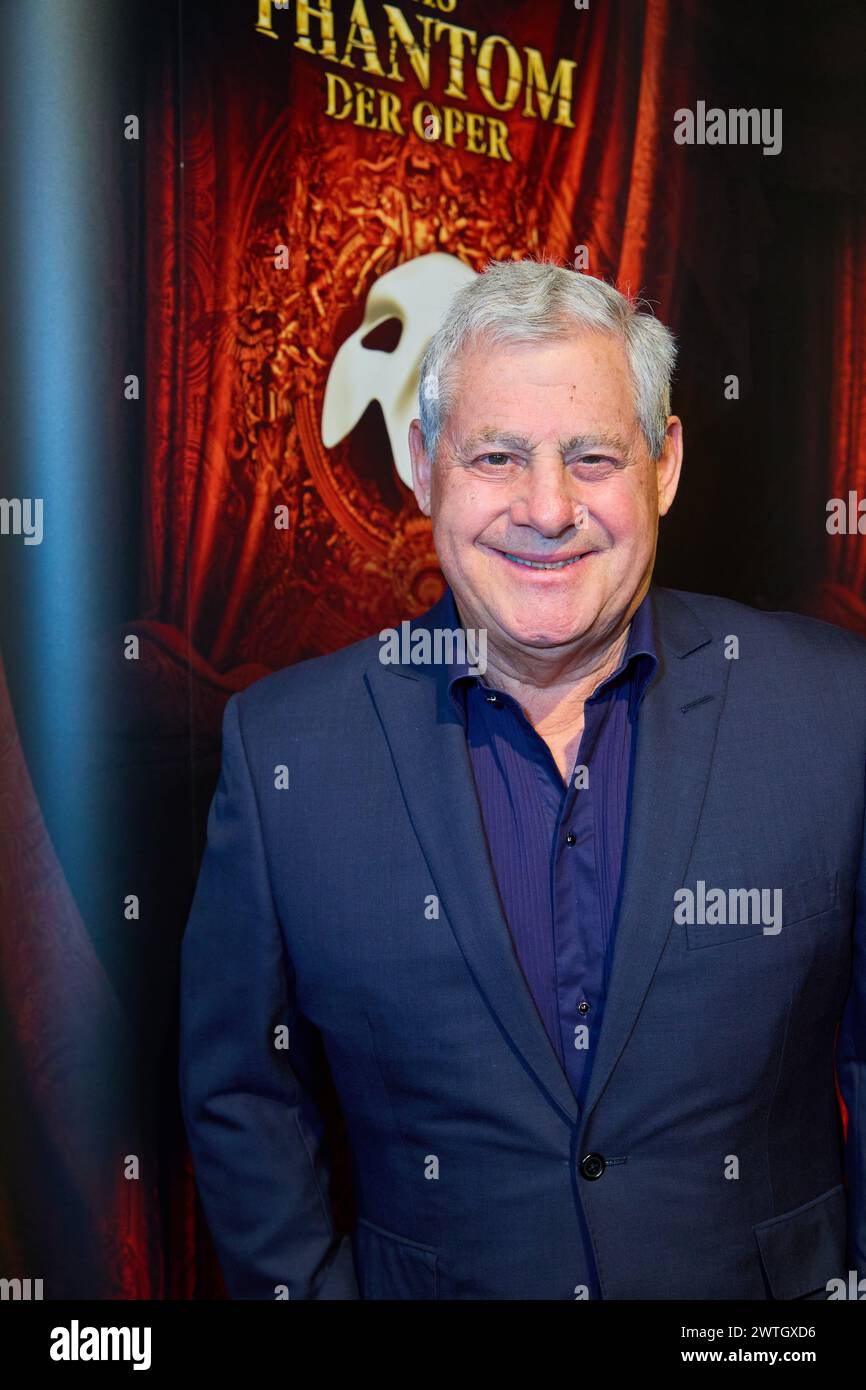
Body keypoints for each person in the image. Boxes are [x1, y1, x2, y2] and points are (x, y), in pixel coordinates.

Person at [179, 258, 866, 1300]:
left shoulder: (831, 710)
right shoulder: (284, 749)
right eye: (496, 457)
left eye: (591, 457)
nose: (546, 511)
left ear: (663, 465)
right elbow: (243, 1096)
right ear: (422, 465)